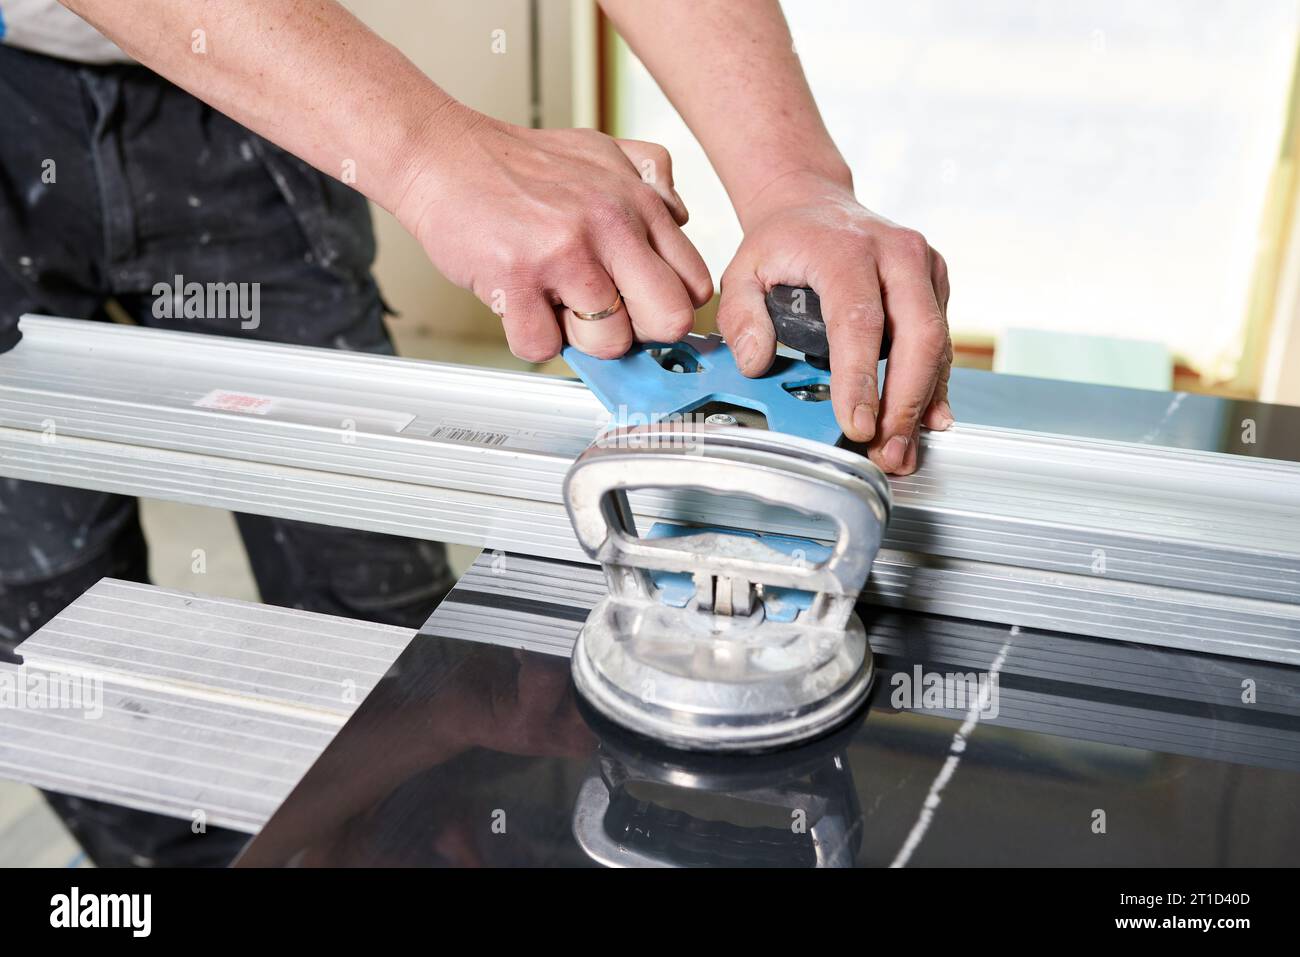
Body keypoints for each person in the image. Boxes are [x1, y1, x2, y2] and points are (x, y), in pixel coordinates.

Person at [0, 0, 951, 865]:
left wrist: (794, 183)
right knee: (48, 636)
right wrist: (428, 154)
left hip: (263, 73)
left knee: (386, 601)